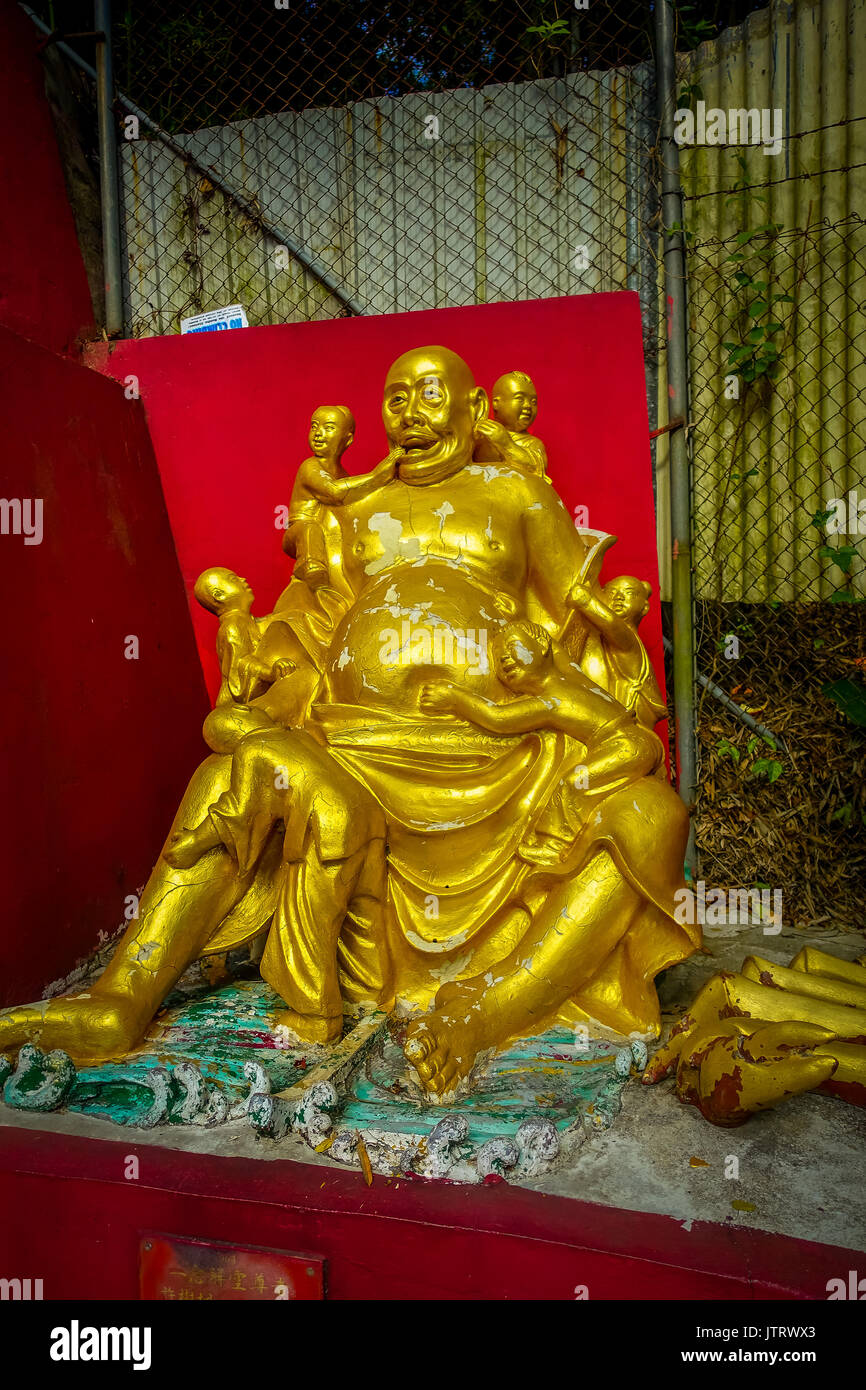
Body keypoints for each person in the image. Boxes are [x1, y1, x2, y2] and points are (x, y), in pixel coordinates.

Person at [0, 346, 696, 1103]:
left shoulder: (518, 493)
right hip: (355, 745)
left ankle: (481, 1013)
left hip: (504, 753)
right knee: (232, 774)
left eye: (431, 395)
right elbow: (311, 628)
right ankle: (121, 998)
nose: (411, 411)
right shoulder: (355, 508)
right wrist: (265, 709)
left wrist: (617, 660)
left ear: (473, 411)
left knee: (649, 817)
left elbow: (575, 617)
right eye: (396, 397)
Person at [567, 575, 667, 730]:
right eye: (612, 593)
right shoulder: (597, 639)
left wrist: (586, 601)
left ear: (644, 607)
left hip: (629, 727)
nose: (619, 597)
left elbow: (612, 624)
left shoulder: (629, 639)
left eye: (629, 593)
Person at [474, 369, 548, 476]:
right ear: (496, 403)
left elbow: (535, 468)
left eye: (533, 402)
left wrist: (506, 444)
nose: (528, 405)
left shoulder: (533, 443)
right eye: (520, 399)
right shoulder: (481, 435)